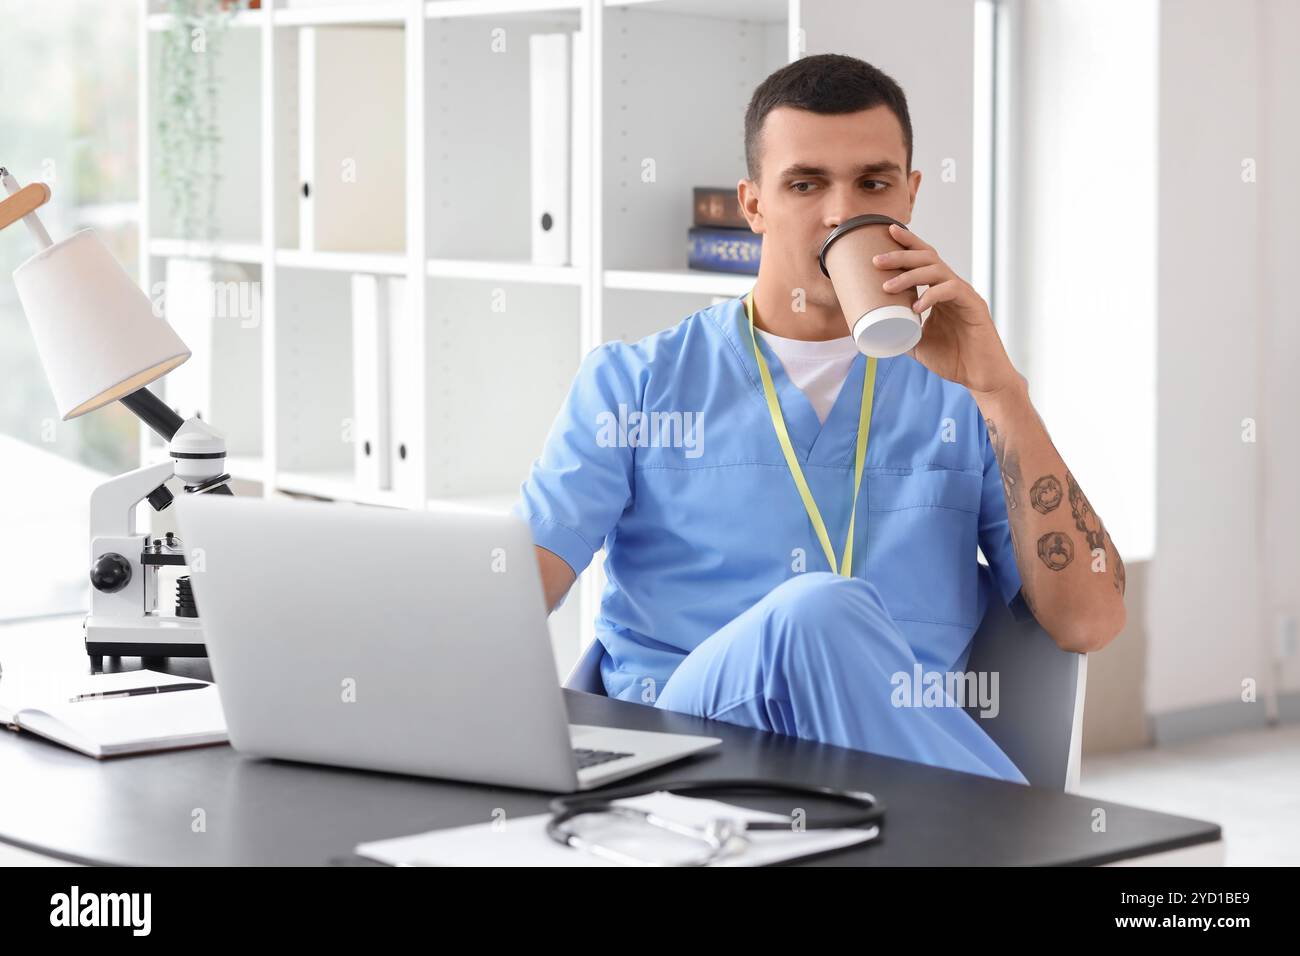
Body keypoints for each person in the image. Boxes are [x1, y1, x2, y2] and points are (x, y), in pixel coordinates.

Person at [512, 54, 1126, 785]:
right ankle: (1015, 837)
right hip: (687, 754)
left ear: (910, 194)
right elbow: (515, 592)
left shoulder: (963, 394)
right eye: (805, 184)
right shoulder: (636, 383)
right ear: (753, 205)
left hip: (880, 767)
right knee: (816, 612)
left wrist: (1002, 392)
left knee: (824, 617)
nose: (841, 212)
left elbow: (1088, 621)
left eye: (873, 182)